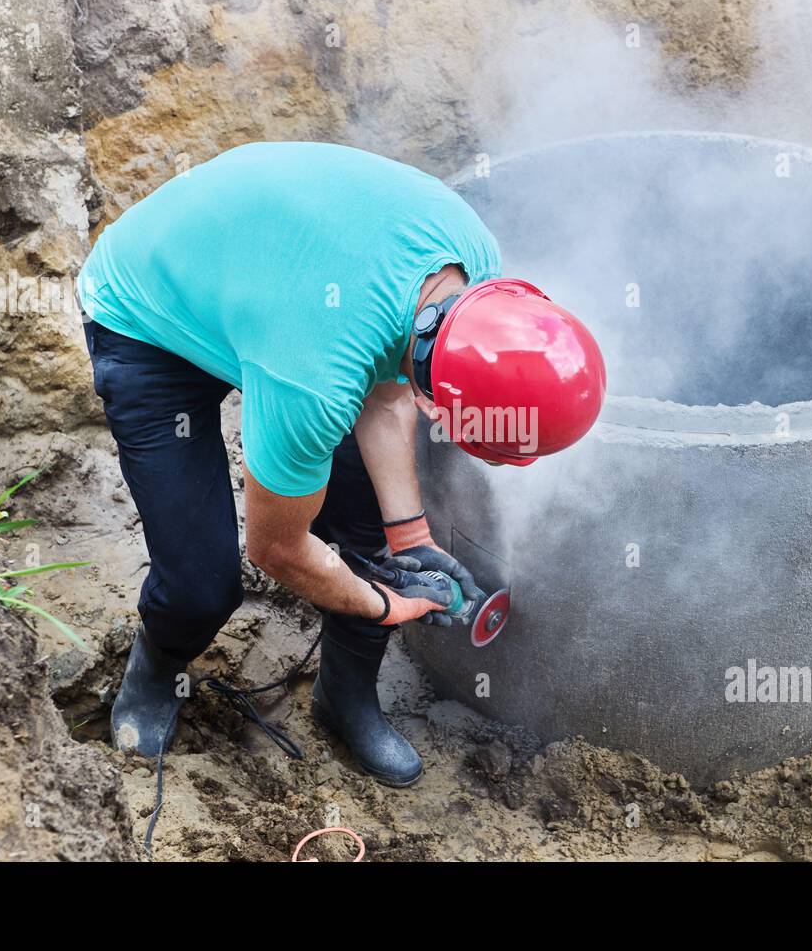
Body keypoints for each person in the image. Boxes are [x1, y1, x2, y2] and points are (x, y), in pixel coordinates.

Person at [77, 142, 605, 786]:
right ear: (435, 401)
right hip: (150, 315)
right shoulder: (316, 381)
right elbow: (276, 549)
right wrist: (381, 605)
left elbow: (387, 390)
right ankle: (156, 669)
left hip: (272, 289)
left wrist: (409, 540)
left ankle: (345, 698)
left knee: (377, 540)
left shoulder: (474, 274)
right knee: (201, 584)